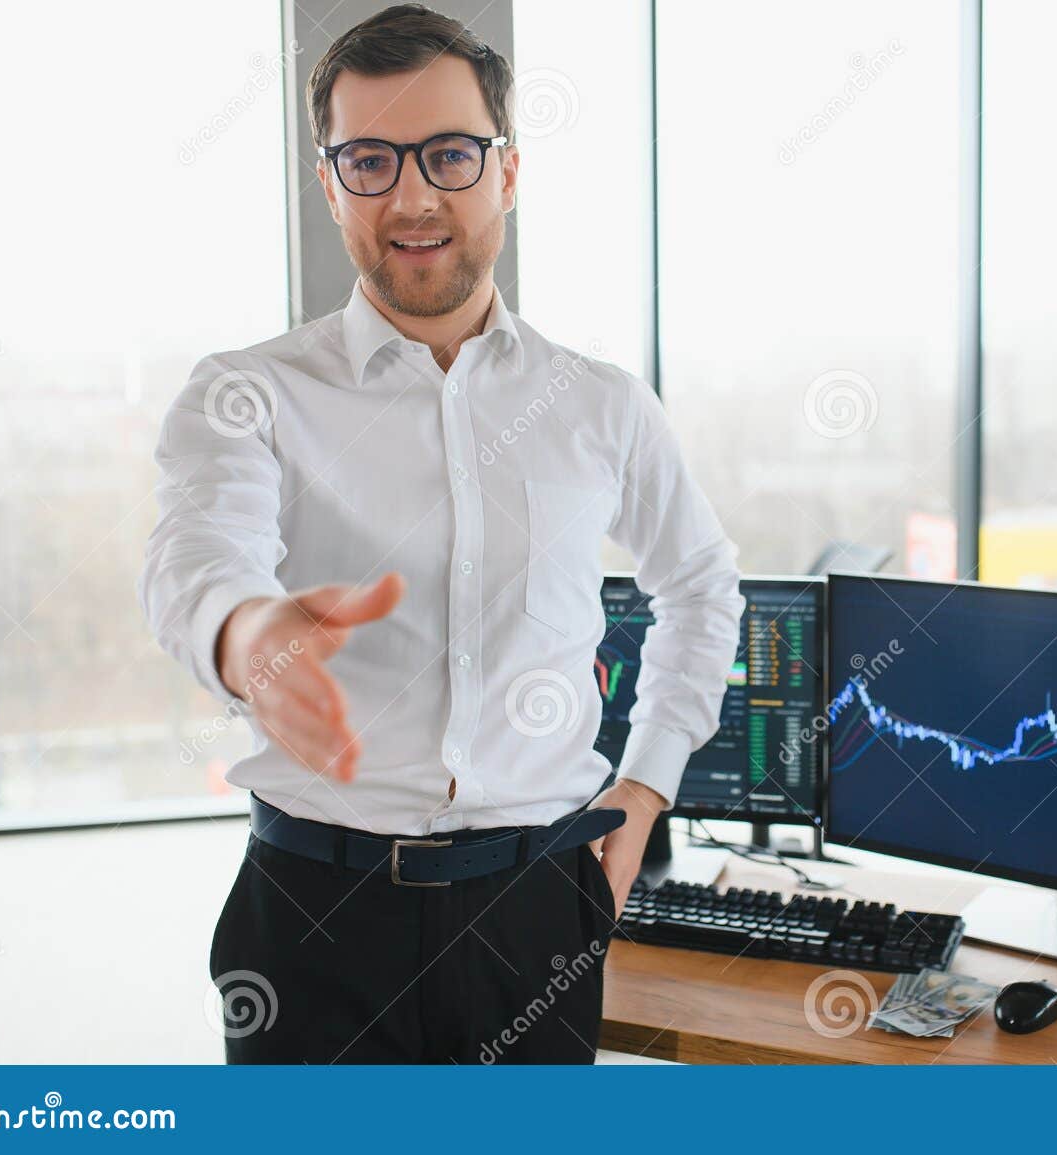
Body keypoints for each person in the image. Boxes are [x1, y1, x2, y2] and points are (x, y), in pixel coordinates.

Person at [139, 3, 742, 1064]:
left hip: (537, 913)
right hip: (312, 920)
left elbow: (698, 583)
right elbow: (196, 556)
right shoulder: (245, 394)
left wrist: (643, 789)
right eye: (368, 160)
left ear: (506, 172)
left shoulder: (601, 405)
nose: (412, 196)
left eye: (450, 155)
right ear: (330, 186)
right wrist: (247, 637)